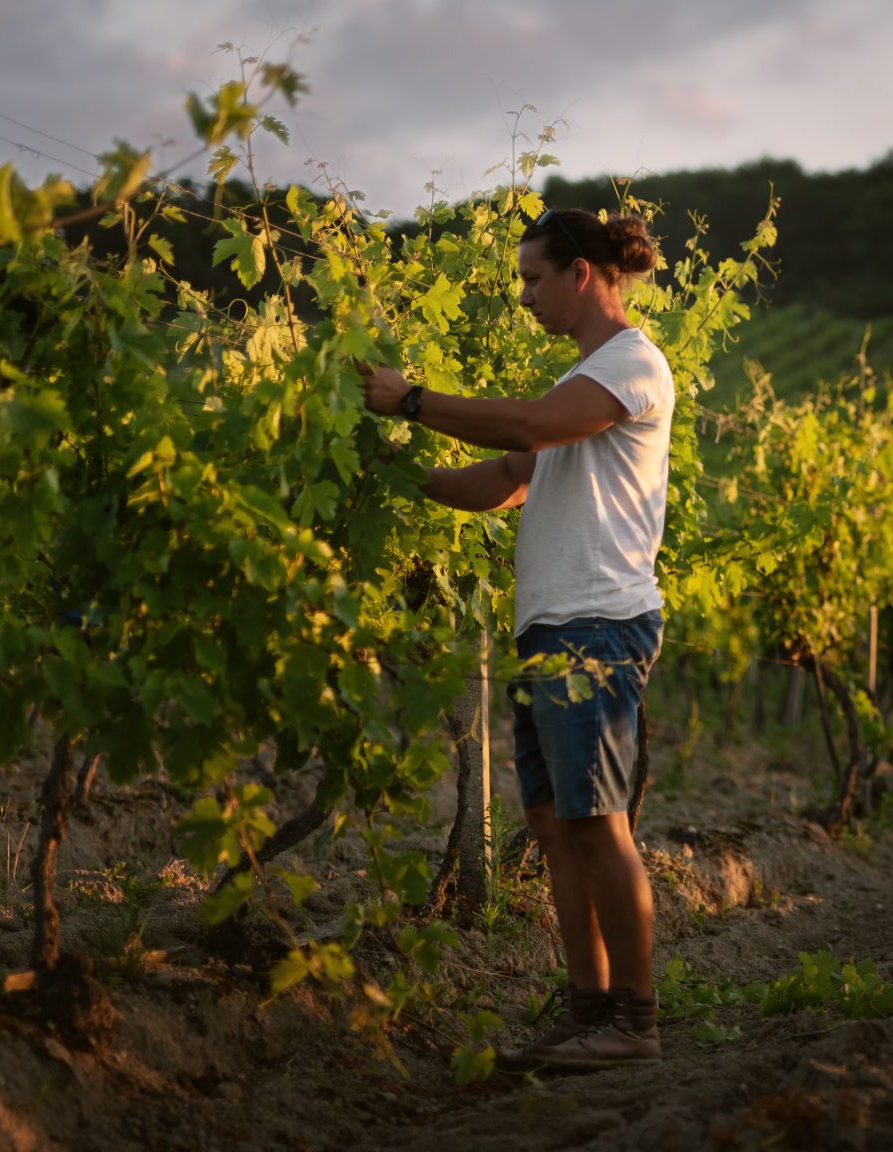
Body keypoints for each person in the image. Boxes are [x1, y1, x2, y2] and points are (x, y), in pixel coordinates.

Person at [358, 206, 671, 1071]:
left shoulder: (630, 366)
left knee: (600, 822)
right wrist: (403, 473)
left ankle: (634, 1023)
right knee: (553, 821)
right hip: (551, 625)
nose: (525, 295)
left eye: (534, 278)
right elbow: (505, 478)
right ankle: (587, 1009)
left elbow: (527, 429)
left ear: (581, 274)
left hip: (599, 624)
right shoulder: (582, 383)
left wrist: (413, 402)